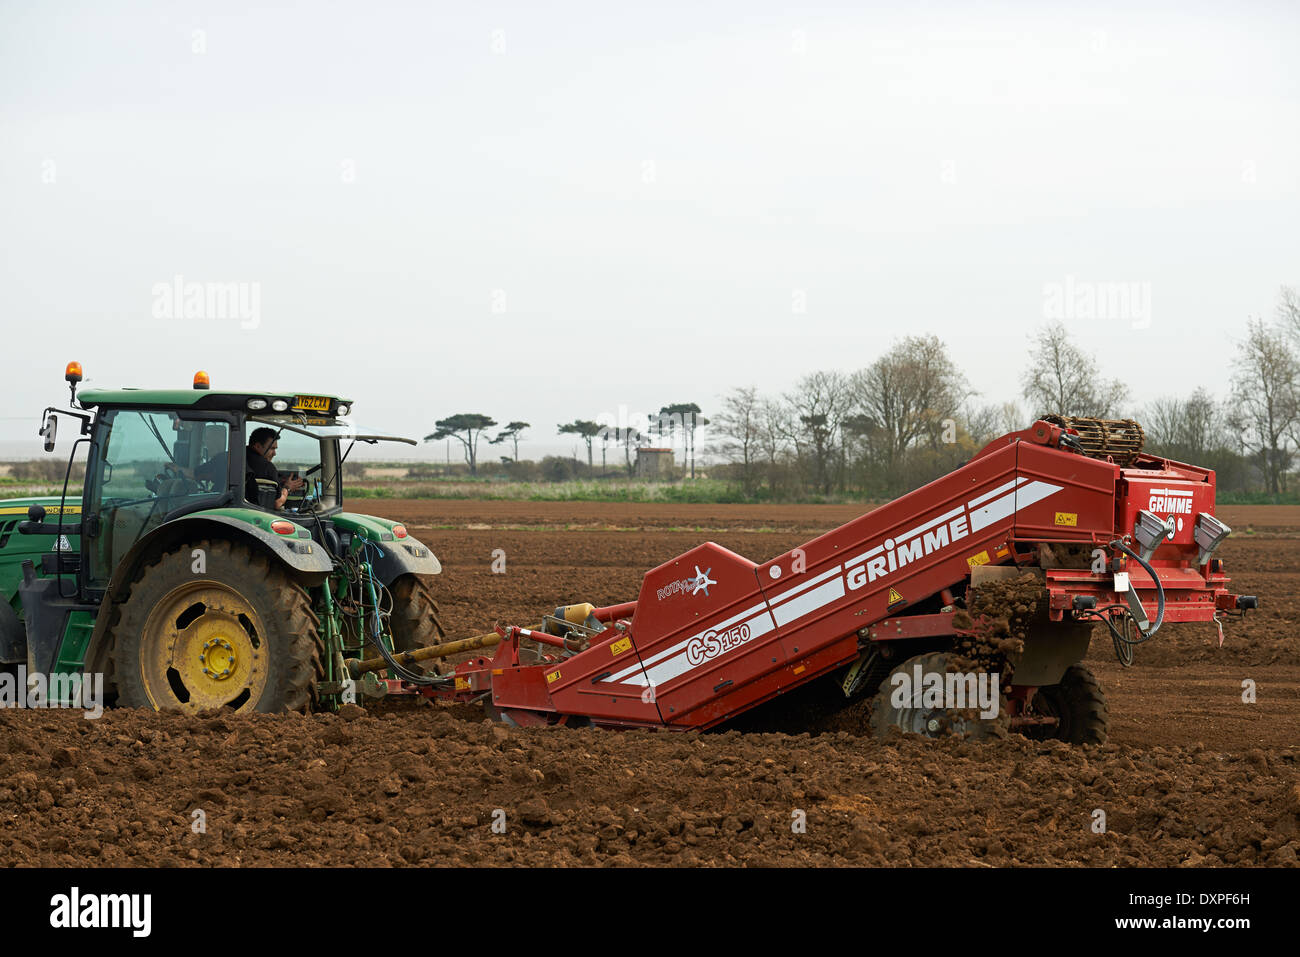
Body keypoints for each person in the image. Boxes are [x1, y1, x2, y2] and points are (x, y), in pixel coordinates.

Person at [246, 427, 305, 509]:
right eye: (272, 448)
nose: (274, 453)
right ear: (258, 446)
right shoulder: (267, 467)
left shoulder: (229, 457)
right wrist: (287, 488)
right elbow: (277, 503)